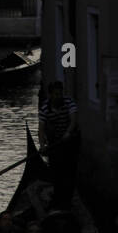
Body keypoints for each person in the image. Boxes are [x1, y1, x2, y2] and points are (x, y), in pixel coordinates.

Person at [39, 80, 80, 208]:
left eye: (60, 93)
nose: (58, 96)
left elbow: (73, 119)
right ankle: (58, 198)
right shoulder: (45, 108)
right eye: (56, 94)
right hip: (55, 142)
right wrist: (42, 145)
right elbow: (41, 129)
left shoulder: (69, 102)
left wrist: (68, 132)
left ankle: (68, 199)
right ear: (50, 95)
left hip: (70, 139)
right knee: (56, 171)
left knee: (69, 170)